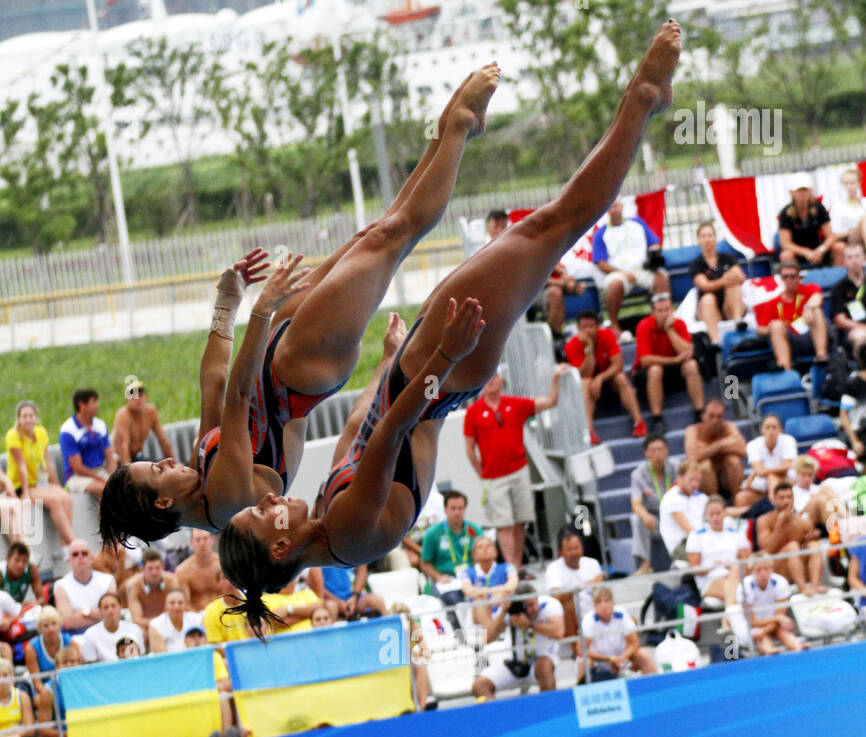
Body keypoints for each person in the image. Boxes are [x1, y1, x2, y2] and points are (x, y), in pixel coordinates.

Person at [218, 22, 684, 633]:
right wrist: (441, 355)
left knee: (449, 233)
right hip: (442, 370)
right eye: (266, 516)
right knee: (548, 229)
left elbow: (365, 426)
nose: (271, 499)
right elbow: (393, 430)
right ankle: (643, 96)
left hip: (424, 371)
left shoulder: (334, 526)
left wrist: (391, 361)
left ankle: (469, 129)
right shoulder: (350, 536)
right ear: (281, 549)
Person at [98, 70, 500, 547]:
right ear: (162, 502)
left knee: (374, 234)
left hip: (280, 350)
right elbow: (237, 397)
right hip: (298, 368)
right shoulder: (225, 501)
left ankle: (452, 127)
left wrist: (225, 304)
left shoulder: (201, 475)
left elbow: (213, 382)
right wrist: (260, 310)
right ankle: (456, 126)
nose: (166, 461)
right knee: (391, 239)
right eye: (156, 470)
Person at [463, 364, 568, 564]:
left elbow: (549, 402)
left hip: (518, 470)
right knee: (503, 524)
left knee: (521, 520)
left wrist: (555, 378)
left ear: (501, 381)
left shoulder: (515, 404)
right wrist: (481, 472)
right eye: (487, 378)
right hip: (494, 475)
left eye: (493, 377)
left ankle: (517, 566)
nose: (490, 381)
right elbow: (469, 448)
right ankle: (511, 567)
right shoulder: (473, 412)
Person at [591, 197, 670, 339]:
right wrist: (622, 272)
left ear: (622, 207)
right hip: (617, 271)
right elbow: (600, 263)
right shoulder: (600, 234)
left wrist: (654, 253)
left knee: (662, 277)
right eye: (610, 207)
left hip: (641, 268)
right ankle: (614, 326)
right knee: (614, 285)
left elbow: (654, 243)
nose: (614, 209)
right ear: (606, 211)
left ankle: (664, 320)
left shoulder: (637, 223)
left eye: (616, 205)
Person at [472, 581, 565, 699]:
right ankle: (497, 716)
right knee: (480, 685)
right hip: (513, 663)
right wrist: (504, 612)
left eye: (533, 604)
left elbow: (559, 632)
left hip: (540, 661)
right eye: (527, 606)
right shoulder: (512, 608)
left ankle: (549, 710)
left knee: (544, 666)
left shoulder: (549, 604)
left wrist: (530, 625)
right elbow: (488, 638)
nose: (532, 609)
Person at [564, 309, 645, 442]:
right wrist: (588, 348)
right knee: (585, 382)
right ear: (578, 329)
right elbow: (584, 373)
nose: (588, 330)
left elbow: (618, 364)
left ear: (597, 326)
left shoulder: (607, 335)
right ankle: (589, 430)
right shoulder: (571, 345)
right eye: (584, 327)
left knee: (620, 377)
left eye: (591, 326)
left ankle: (639, 422)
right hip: (590, 388)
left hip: (608, 382)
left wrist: (600, 378)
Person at [4, 400, 75, 547]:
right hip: (21, 485)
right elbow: (21, 465)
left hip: (39, 482)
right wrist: (25, 493)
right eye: (24, 416)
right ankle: (72, 541)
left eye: (31, 416)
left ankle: (64, 545)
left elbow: (46, 462)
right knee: (55, 500)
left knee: (65, 497)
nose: (28, 419)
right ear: (19, 419)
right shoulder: (13, 436)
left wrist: (55, 484)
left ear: (36, 417)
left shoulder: (40, 432)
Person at [633, 290, 705, 433]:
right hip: (649, 375)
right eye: (660, 311)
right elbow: (645, 359)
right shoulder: (643, 326)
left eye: (667, 310)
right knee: (655, 369)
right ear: (653, 312)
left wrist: (670, 330)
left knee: (691, 365)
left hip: (676, 372)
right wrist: (674, 360)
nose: (664, 314)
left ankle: (700, 412)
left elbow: (688, 352)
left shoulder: (679, 324)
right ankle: (657, 418)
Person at [750, 479, 826, 595]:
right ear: (774, 500)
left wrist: (811, 538)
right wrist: (780, 525)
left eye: (789, 497)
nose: (786, 501)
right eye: (782, 498)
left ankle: (815, 586)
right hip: (777, 568)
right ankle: (803, 589)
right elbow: (766, 550)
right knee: (792, 546)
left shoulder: (803, 521)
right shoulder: (764, 520)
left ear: (794, 499)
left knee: (814, 545)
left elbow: (809, 542)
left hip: (799, 566)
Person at [753, 260, 827, 370]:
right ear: (781, 279)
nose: (789, 280)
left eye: (793, 276)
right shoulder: (773, 303)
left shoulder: (809, 289)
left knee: (816, 311)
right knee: (776, 326)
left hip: (813, 333)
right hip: (792, 340)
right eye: (785, 277)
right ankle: (786, 370)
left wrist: (808, 308)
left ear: (798, 277)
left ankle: (821, 356)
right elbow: (760, 329)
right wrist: (775, 326)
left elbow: (817, 298)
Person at [420, 489, 488, 605]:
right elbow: (425, 563)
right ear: (445, 510)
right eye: (453, 509)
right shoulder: (433, 533)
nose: (457, 513)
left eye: (460, 509)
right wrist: (439, 577)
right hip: (447, 579)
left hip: (470, 576)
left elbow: (485, 556)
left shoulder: (474, 531)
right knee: (454, 598)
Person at [685, 495, 750, 608]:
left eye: (718, 513)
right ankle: (730, 618)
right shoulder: (696, 535)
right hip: (710, 579)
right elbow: (694, 568)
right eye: (712, 514)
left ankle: (727, 620)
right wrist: (713, 566)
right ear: (706, 515)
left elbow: (746, 562)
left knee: (735, 571)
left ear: (724, 513)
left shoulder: (735, 533)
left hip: (734, 575)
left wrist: (730, 566)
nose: (715, 517)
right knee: (738, 591)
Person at [581, 584, 656, 680]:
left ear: (613, 602)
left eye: (607, 600)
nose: (603, 605)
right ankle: (582, 692)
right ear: (594, 606)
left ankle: (657, 688)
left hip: (623, 658)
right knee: (583, 662)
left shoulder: (621, 613)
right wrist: (611, 659)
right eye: (599, 602)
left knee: (642, 654)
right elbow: (582, 650)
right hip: (599, 662)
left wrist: (621, 658)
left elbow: (634, 643)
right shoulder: (589, 620)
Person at [688, 222, 746, 344]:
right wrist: (724, 280)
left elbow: (740, 276)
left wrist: (729, 279)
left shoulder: (727, 258)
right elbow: (705, 286)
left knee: (733, 287)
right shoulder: (696, 264)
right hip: (709, 309)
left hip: (728, 305)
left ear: (715, 237)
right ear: (699, 240)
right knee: (708, 298)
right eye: (703, 236)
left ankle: (738, 323)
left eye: (710, 235)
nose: (707, 239)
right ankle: (715, 342)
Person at [733, 554, 803, 654]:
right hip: (750, 626)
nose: (763, 573)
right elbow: (752, 621)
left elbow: (781, 616)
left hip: (773, 624)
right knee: (760, 636)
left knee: (782, 631)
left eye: (766, 568)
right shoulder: (745, 587)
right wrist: (776, 619)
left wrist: (766, 628)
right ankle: (771, 653)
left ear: (772, 569)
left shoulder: (780, 582)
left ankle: (799, 649)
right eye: (758, 569)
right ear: (751, 571)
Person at [544, 526, 603, 640]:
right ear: (560, 552)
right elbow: (557, 596)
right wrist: (586, 585)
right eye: (569, 549)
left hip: (593, 615)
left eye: (577, 548)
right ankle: (575, 649)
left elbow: (600, 593)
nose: (574, 553)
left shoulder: (593, 563)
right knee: (567, 603)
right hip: (571, 620)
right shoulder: (553, 568)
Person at [630, 433, 677, 574]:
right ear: (646, 454)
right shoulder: (638, 474)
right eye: (653, 450)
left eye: (660, 449)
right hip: (654, 516)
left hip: (675, 513)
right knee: (637, 518)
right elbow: (636, 503)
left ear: (667, 450)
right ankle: (645, 564)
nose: (657, 454)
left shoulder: (677, 466)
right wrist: (645, 516)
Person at [683, 399, 747, 500]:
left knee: (733, 461)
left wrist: (705, 450)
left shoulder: (729, 427)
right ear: (703, 416)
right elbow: (692, 457)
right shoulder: (693, 430)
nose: (715, 421)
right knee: (705, 466)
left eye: (719, 417)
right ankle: (714, 504)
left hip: (726, 478)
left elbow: (744, 450)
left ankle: (737, 500)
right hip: (704, 481)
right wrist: (720, 445)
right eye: (711, 416)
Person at [778, 173, 842, 268]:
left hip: (818, 249)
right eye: (799, 191)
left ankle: (840, 277)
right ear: (792, 192)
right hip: (798, 253)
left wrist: (821, 250)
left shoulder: (819, 208)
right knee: (786, 255)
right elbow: (785, 243)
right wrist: (805, 252)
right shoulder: (785, 213)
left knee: (839, 247)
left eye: (805, 190)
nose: (802, 194)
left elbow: (830, 236)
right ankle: (793, 279)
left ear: (810, 191)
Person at [59, 389, 115, 497]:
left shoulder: (100, 425)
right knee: (103, 489)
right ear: (82, 405)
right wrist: (102, 480)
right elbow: (77, 467)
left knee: (122, 487)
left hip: (100, 472)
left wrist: (112, 477)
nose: (97, 405)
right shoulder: (68, 431)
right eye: (94, 402)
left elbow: (110, 456)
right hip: (77, 477)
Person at [733, 414, 797, 509]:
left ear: (780, 429)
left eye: (774, 427)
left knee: (772, 478)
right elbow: (760, 471)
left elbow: (785, 469)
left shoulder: (789, 440)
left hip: (787, 483)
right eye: (767, 427)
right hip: (761, 488)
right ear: (762, 430)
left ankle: (775, 509)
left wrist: (757, 473)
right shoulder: (752, 445)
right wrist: (759, 472)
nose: (771, 431)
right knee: (740, 498)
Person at [53, 540, 116, 631]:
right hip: (77, 637)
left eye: (84, 553)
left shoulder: (108, 580)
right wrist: (100, 614)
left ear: (91, 558)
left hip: (107, 631)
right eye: (75, 554)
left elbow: (113, 614)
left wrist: (84, 612)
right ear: (69, 560)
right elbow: (67, 622)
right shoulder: (60, 586)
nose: (80, 556)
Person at [24, 606, 70, 725]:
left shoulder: (70, 642)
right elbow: (37, 682)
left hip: (67, 684)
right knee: (41, 700)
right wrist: (50, 693)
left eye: (54, 624)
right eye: (46, 625)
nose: (50, 629)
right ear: (39, 628)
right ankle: (49, 730)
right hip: (45, 688)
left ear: (60, 625)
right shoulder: (31, 648)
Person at [111, 379, 173, 466]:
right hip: (119, 460)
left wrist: (173, 464)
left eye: (140, 395)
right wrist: (129, 475)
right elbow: (123, 446)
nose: (137, 399)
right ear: (127, 399)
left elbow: (163, 440)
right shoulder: (123, 415)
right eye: (133, 396)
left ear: (146, 397)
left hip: (136, 457)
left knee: (161, 466)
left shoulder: (151, 412)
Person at [461, 533, 518, 626]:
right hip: (477, 618)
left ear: (495, 552)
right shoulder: (467, 572)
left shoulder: (507, 567)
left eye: (488, 546)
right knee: (479, 600)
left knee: (503, 594)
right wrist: (495, 591)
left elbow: (512, 585)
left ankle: (492, 631)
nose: (485, 549)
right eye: (480, 547)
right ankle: (489, 632)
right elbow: (468, 591)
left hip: (501, 611)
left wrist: (497, 593)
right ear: (474, 555)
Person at [658, 460, 708, 562]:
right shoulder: (671, 498)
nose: (695, 484)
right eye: (691, 480)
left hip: (702, 540)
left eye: (698, 480)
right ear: (680, 478)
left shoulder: (701, 497)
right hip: (682, 546)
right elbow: (689, 532)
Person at [81, 591, 145, 663]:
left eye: (113, 606)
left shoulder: (134, 630)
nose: (110, 610)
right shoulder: (90, 634)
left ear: (120, 607)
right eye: (106, 607)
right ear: (100, 611)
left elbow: (141, 658)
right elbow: (91, 665)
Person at [829, 239, 866, 358]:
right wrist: (863, 327)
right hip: (854, 330)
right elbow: (840, 320)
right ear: (844, 261)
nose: (854, 260)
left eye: (857, 256)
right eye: (850, 257)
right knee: (861, 337)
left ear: (864, 258)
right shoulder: (838, 288)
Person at [173, 530, 223, 612]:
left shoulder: (223, 565)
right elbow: (184, 604)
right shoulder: (183, 570)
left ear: (212, 540)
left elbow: (233, 595)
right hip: (196, 617)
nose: (202, 543)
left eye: (205, 538)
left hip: (223, 614)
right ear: (191, 543)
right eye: (198, 539)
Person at [0, 657, 34, 737]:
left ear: (12, 677)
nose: (2, 679)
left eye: (5, 674)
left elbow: (30, 729)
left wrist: (9, 736)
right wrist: (14, 735)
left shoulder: (21, 696)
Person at [125, 549, 168, 640]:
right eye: (150, 568)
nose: (154, 572)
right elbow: (136, 619)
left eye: (157, 567)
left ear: (163, 566)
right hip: (145, 625)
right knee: (140, 633)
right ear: (142, 569)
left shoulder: (172, 581)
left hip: (167, 622)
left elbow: (180, 609)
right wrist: (157, 625)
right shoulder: (133, 585)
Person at [148, 586, 204, 653]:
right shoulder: (155, 625)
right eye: (172, 603)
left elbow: (204, 647)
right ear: (165, 605)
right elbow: (161, 657)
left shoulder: (197, 619)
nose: (176, 607)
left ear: (186, 605)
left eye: (180, 603)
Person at [320, 566, 386, 621]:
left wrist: (354, 597)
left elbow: (362, 569)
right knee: (331, 606)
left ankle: (386, 632)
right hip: (329, 599)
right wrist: (340, 603)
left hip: (352, 597)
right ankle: (332, 636)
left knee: (377, 601)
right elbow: (319, 587)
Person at [829, 168, 866, 248]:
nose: (849, 186)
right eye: (846, 183)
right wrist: (851, 232)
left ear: (859, 183)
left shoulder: (864, 202)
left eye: (852, 183)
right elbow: (835, 234)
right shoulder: (838, 207)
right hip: (850, 239)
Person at [1, 541, 42, 609]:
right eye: (17, 560)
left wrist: (33, 604)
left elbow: (41, 598)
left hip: (19, 609)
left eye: (24, 561)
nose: (20, 565)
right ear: (7, 559)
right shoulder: (1, 572)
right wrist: (19, 606)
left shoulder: (31, 569)